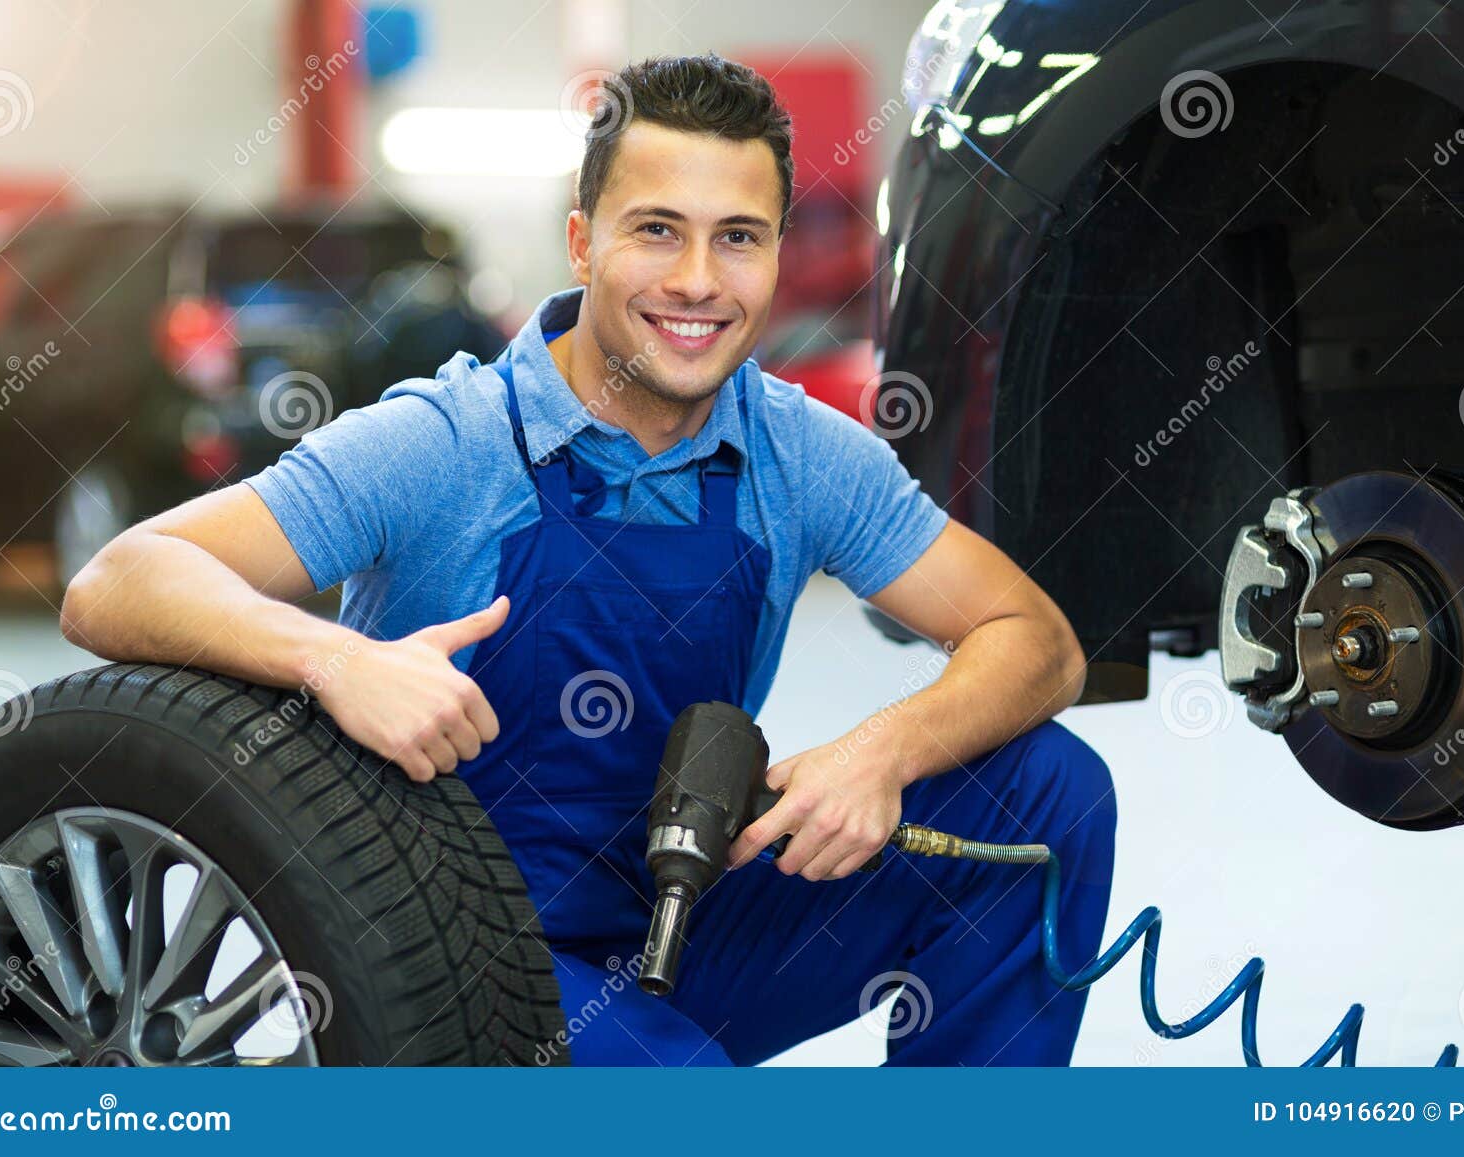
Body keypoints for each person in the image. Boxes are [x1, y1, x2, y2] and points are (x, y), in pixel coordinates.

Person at [61, 53, 1116, 1066]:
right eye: (657, 231)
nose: (698, 281)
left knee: (1049, 800)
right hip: (445, 956)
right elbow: (121, 578)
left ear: (779, 252)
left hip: (680, 914)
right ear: (581, 241)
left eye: (737, 237)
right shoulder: (445, 442)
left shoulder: (800, 453)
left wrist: (884, 749)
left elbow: (1038, 642)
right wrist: (334, 662)